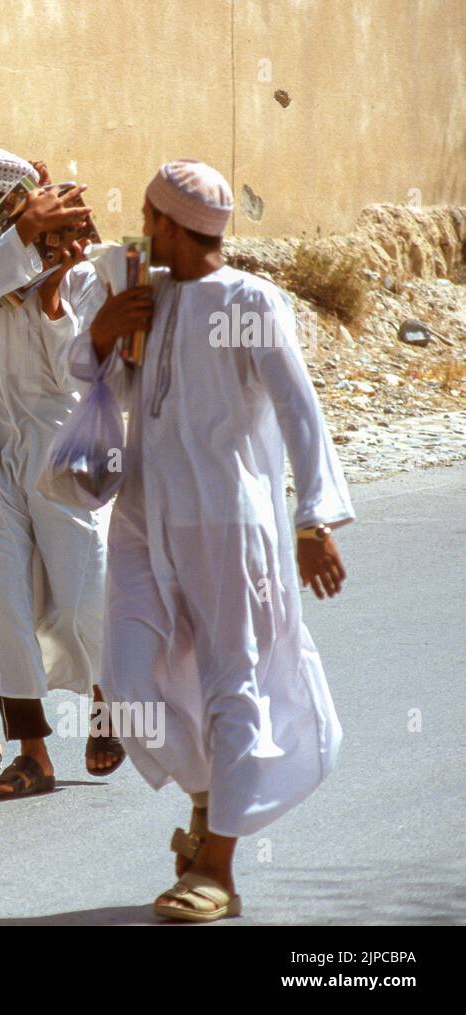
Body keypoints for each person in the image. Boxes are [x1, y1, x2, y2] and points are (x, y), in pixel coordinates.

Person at [76, 159, 353, 921]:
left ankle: (219, 868)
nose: (139, 225)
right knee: (126, 684)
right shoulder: (147, 293)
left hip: (228, 522)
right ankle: (209, 797)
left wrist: (314, 519)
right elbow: (92, 376)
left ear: (169, 223)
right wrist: (103, 330)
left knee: (236, 683)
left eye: (146, 214)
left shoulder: (250, 300)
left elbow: (301, 412)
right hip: (140, 517)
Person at [0, 147, 121, 796]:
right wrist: (17, 241)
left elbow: (79, 369)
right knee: (4, 598)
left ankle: (108, 696)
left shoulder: (88, 267)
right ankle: (33, 754)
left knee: (82, 592)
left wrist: (50, 288)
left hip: (61, 441)